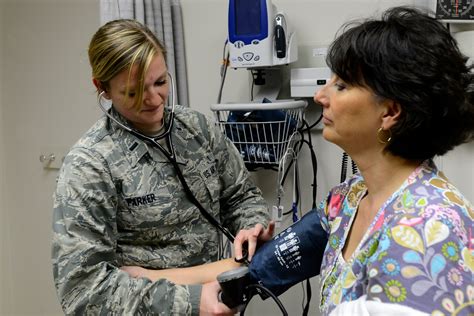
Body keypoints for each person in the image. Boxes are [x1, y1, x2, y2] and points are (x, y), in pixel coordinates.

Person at [230, 6, 474, 316]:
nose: (320, 96)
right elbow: (264, 265)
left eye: (341, 86)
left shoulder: (430, 229)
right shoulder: (349, 198)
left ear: (389, 113)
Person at [51, 19, 272, 315]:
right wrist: (188, 303)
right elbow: (82, 290)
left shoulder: (197, 129)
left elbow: (241, 195)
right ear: (102, 88)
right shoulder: (90, 165)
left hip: (217, 301)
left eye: (160, 82)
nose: (154, 100)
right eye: (134, 92)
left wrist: (250, 225)